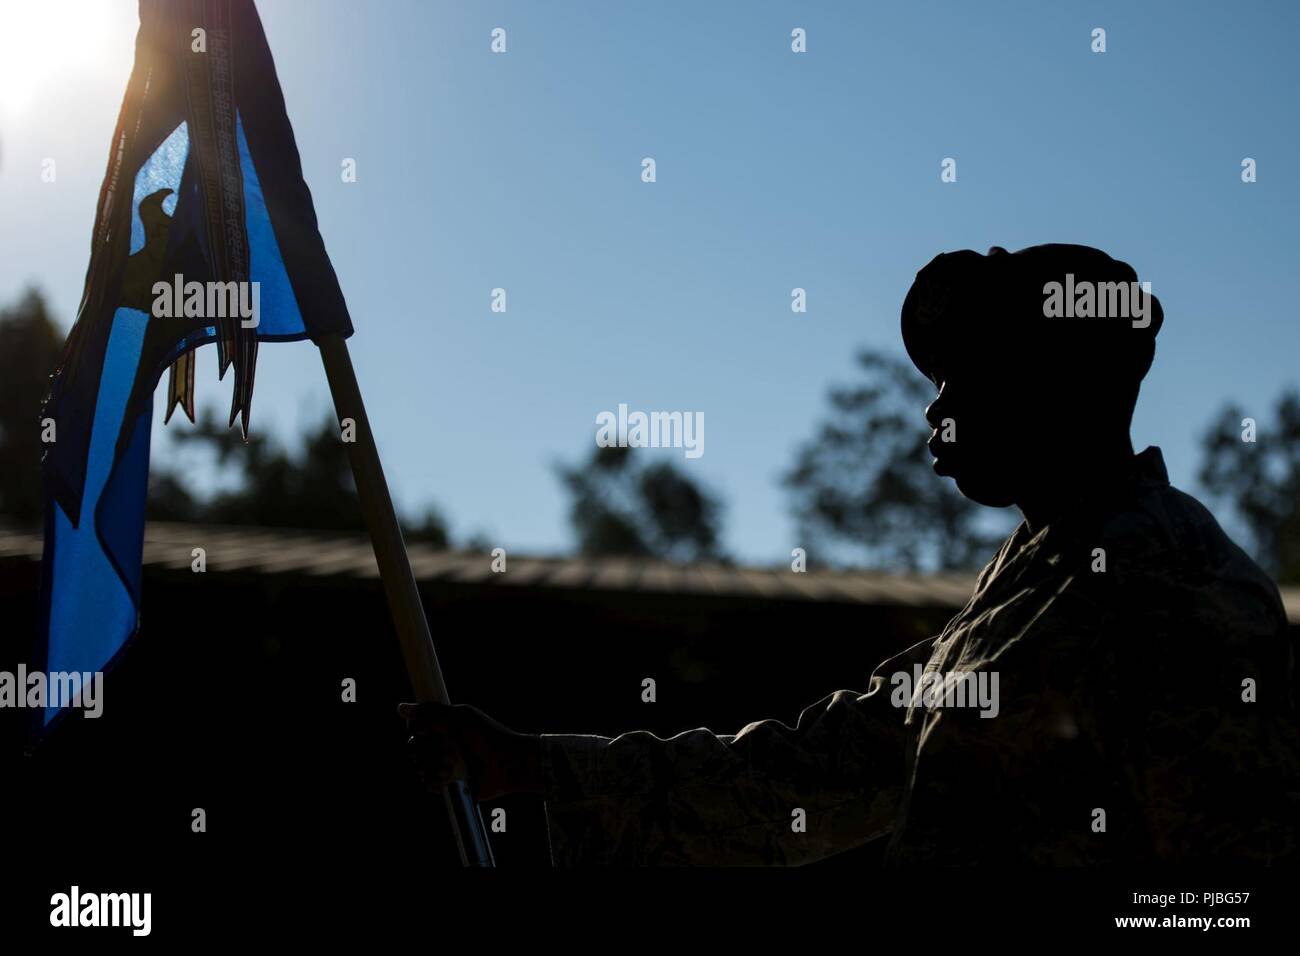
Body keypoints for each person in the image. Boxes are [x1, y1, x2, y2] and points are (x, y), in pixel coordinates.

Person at [401, 244, 1300, 865]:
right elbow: (813, 773)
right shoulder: (1029, 587)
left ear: (1058, 381)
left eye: (969, 370)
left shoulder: (1178, 587)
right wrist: (530, 768)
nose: (933, 406)